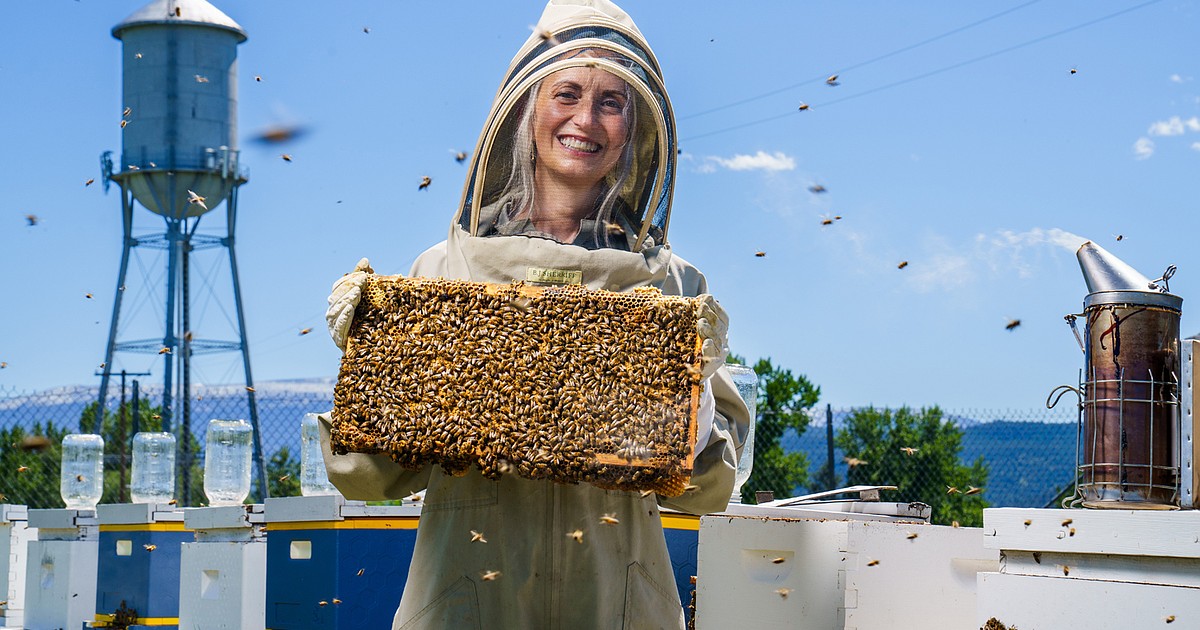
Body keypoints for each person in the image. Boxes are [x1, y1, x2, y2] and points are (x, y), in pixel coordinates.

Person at [320, 1, 750, 628]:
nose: (586, 119)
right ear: (526, 109)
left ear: (635, 127)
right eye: (567, 93)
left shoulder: (676, 283)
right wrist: (367, 363)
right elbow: (369, 477)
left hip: (616, 604)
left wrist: (695, 399)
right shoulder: (443, 272)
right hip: (468, 600)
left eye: (612, 101)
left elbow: (710, 489)